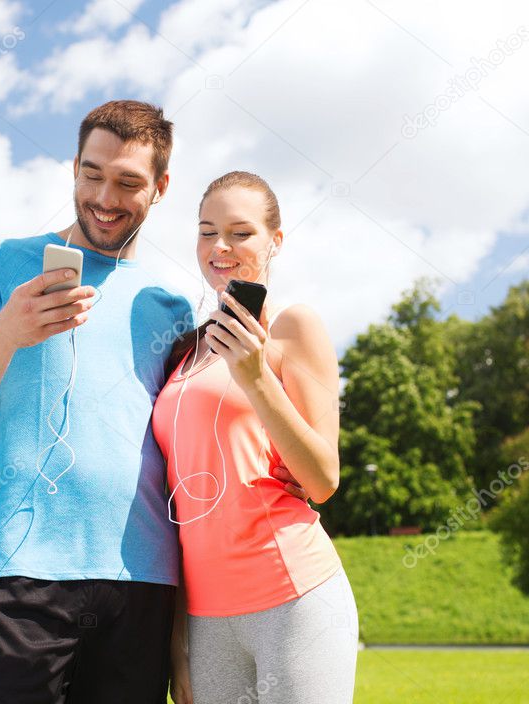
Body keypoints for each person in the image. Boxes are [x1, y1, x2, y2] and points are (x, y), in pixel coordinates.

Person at [0, 100, 190, 703]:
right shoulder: (1, 264)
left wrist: (180, 638)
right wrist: (8, 330)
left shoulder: (172, 304)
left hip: (142, 584)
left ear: (161, 187)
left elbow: (180, 461)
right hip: (20, 576)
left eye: (128, 182)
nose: (104, 197)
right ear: (74, 168)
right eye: (92, 174)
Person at [153, 171, 359, 704]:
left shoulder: (293, 327)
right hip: (205, 617)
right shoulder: (185, 351)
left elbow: (323, 479)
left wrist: (256, 376)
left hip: (294, 597)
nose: (220, 246)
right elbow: (177, 506)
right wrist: (178, 641)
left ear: (275, 240)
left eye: (240, 233)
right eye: (207, 232)